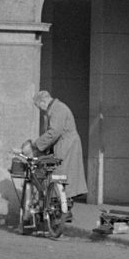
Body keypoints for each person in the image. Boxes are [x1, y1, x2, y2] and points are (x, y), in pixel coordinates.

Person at [30, 89, 87, 220]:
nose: (41, 110)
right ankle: (62, 209)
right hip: (65, 144)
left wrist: (37, 144)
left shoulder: (57, 109)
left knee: (60, 175)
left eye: (40, 107)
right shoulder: (57, 108)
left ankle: (64, 210)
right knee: (62, 176)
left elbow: (54, 132)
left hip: (66, 146)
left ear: (43, 101)